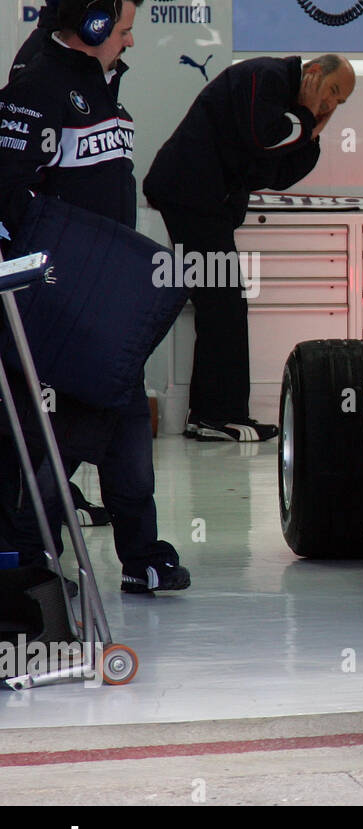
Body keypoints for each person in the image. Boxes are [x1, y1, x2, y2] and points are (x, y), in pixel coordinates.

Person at [0, 0, 190, 593]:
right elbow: (7, 193)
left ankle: (137, 556)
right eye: (125, 30)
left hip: (110, 296)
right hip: (65, 304)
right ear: (94, 26)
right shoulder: (40, 83)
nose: (130, 43)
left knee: (124, 418)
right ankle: (35, 554)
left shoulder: (98, 81)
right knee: (73, 428)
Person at [144, 53, 356, 442]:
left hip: (204, 205)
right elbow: (264, 136)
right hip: (190, 198)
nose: (330, 105)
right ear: (312, 73)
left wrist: (309, 128)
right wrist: (306, 118)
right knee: (222, 303)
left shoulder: (292, 109)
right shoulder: (268, 77)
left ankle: (210, 415)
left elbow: (278, 173)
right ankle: (216, 415)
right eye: (332, 92)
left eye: (339, 103)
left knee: (219, 304)